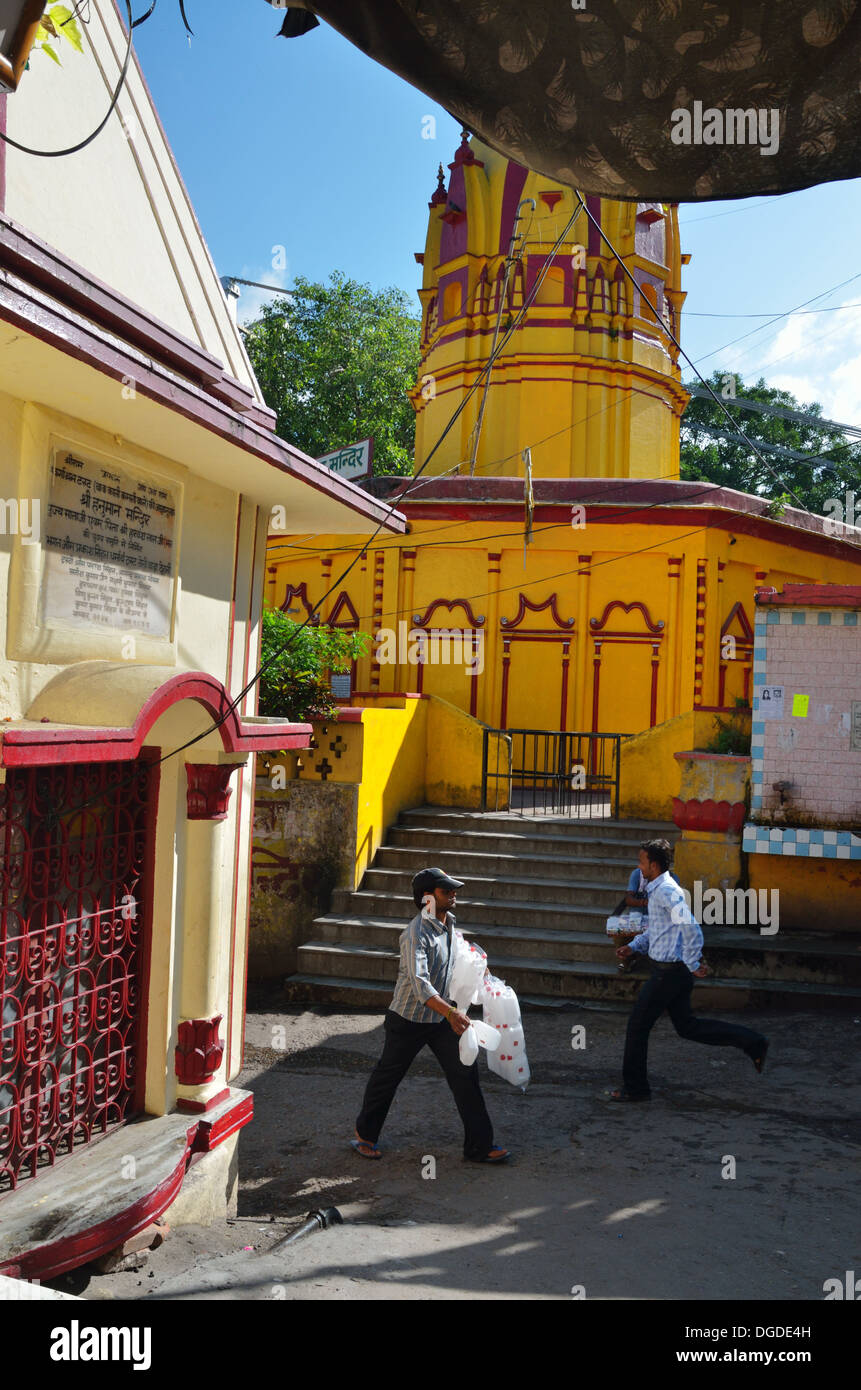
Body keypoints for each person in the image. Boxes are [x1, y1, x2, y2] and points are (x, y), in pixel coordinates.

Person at [352, 866, 510, 1163]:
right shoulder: (414, 934)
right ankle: (365, 1135)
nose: (453, 896)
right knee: (388, 1077)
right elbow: (420, 984)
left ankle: (480, 1146)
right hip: (409, 1020)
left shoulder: (449, 922)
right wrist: (452, 1013)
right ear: (427, 898)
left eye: (453, 891)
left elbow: (459, 950)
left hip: (441, 1019)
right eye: (446, 891)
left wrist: (479, 965)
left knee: (465, 1075)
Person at [607, 839, 769, 1102]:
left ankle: (636, 1088)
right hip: (673, 972)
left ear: (654, 865)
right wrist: (634, 946)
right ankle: (752, 1042)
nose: (639, 866)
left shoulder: (666, 891)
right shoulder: (660, 889)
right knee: (688, 1027)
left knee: (637, 1027)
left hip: (668, 973)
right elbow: (659, 929)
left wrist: (694, 963)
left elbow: (691, 928)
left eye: (642, 861)